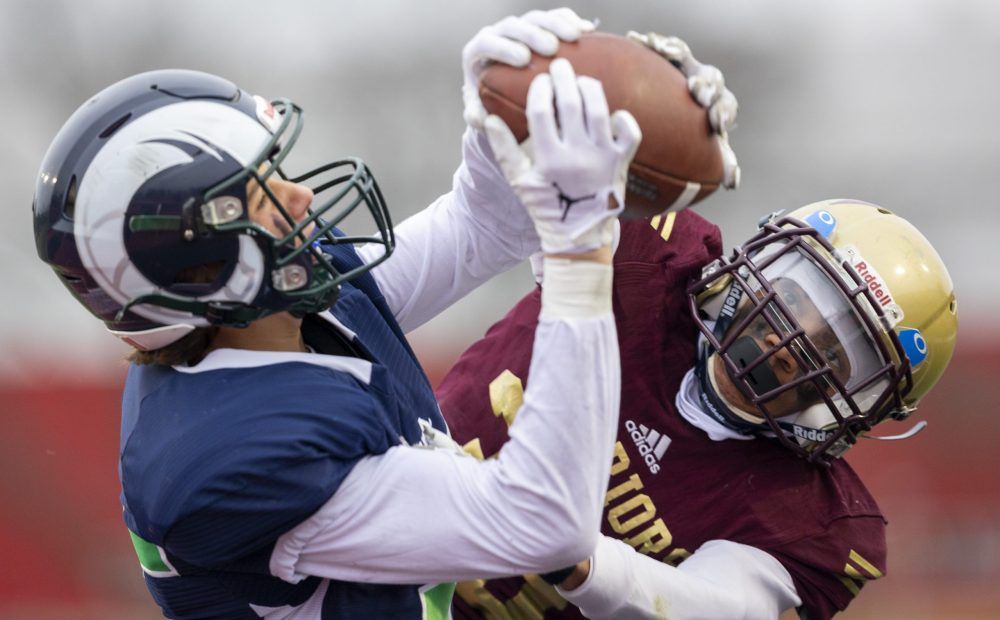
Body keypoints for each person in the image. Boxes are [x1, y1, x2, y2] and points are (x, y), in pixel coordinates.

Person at [32, 10, 647, 618]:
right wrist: (579, 252)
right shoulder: (235, 461)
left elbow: (483, 227)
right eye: (260, 194)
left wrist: (498, 121)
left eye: (276, 169)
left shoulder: (273, 310)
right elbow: (547, 522)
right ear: (198, 268)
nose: (300, 197)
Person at [438, 199, 958, 619]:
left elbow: (713, 606)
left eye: (833, 352)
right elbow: (536, 198)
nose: (791, 339)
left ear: (865, 401)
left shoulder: (812, 527)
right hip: (389, 500)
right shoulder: (650, 257)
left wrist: (581, 560)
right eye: (799, 299)